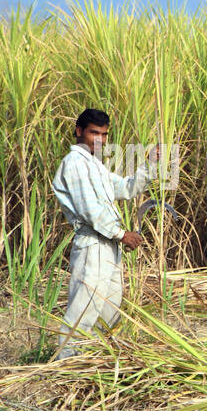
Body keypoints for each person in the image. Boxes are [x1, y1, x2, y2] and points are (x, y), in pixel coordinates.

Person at [50, 108, 159, 360]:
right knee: (85, 307)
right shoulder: (75, 163)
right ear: (79, 132)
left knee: (109, 308)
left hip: (108, 245)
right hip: (93, 245)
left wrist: (150, 164)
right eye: (94, 133)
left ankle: (96, 360)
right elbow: (90, 211)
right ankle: (65, 363)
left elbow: (126, 188)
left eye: (104, 135)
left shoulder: (95, 166)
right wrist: (122, 234)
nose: (99, 139)